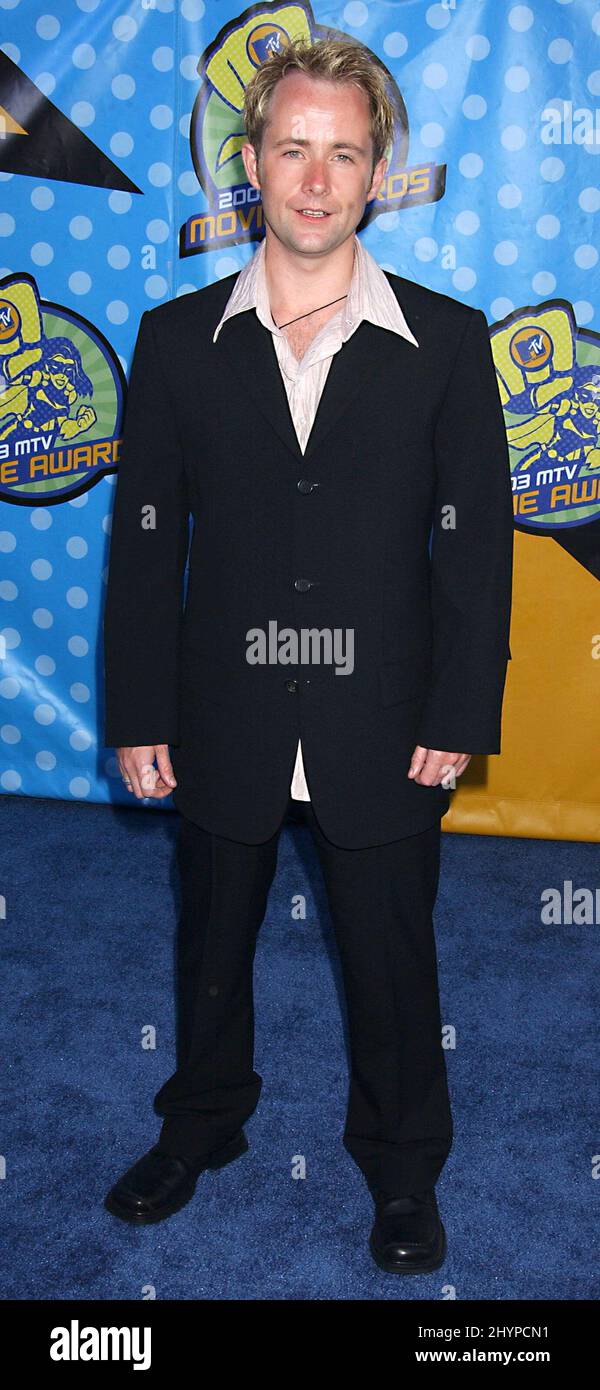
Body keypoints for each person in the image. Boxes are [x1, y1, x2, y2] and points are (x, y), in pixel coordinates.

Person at [102, 35, 513, 1275]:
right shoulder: (176, 341)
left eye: (344, 152)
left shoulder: (446, 343)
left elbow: (475, 559)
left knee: (393, 953)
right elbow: (143, 549)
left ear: (380, 171)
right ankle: (205, 1123)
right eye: (293, 147)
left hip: (385, 713)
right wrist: (138, 710)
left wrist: (456, 708)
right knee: (209, 938)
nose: (317, 178)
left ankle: (401, 1166)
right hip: (220, 709)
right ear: (249, 164)